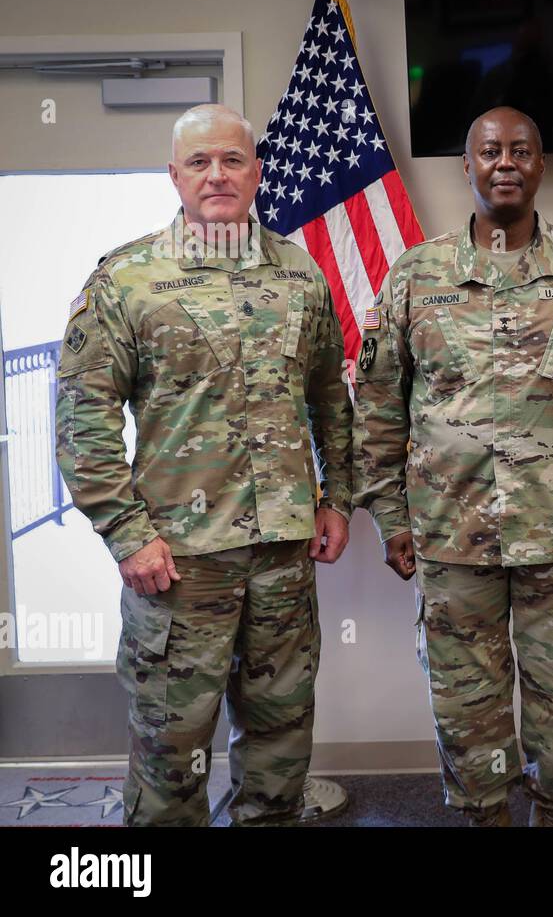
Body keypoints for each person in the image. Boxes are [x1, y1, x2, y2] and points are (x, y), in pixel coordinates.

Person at [353, 106, 553, 827]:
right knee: (468, 714)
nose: (505, 162)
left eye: (521, 149)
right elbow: (376, 406)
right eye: (489, 151)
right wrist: (390, 517)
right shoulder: (415, 277)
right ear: (468, 167)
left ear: (541, 165)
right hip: (451, 542)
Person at [55, 103, 353, 826]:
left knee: (280, 752)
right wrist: (127, 534)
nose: (217, 174)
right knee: (171, 758)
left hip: (282, 560)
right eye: (199, 162)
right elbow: (81, 418)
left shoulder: (300, 273)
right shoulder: (125, 280)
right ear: (174, 175)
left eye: (232, 160)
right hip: (180, 567)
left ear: (256, 171)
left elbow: (327, 397)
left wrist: (336, 497)